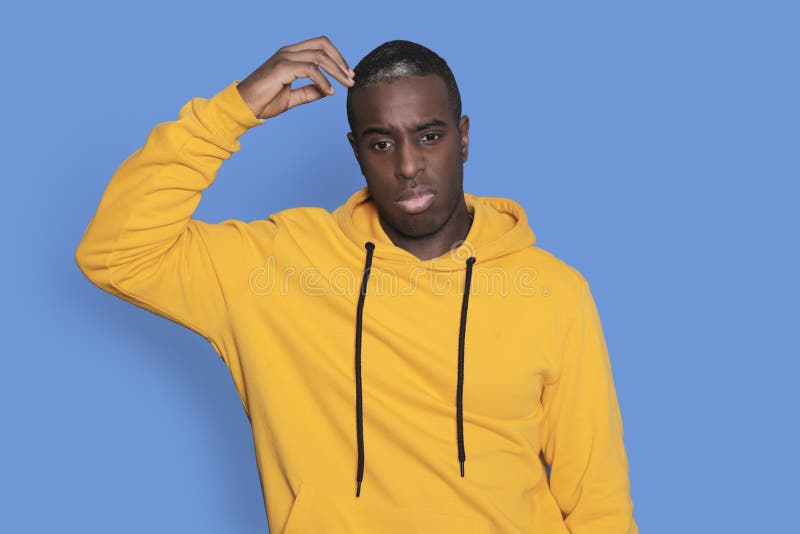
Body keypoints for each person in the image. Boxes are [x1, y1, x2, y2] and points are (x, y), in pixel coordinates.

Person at [75, 35, 638, 533]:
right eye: (382, 143)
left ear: (463, 139)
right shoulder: (274, 267)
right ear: (357, 152)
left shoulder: (554, 291)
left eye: (430, 136)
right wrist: (232, 112)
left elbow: (599, 506)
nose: (409, 165)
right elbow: (116, 253)